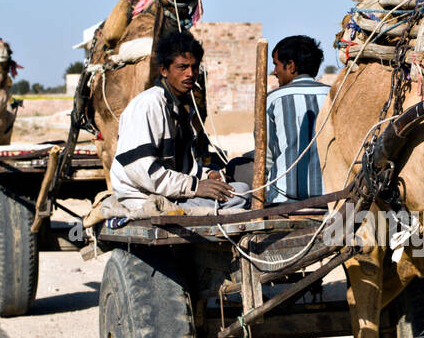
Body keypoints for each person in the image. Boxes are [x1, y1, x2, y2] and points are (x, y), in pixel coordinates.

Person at [110, 31, 249, 213]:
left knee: (239, 186)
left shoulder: (181, 108)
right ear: (164, 70)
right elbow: (142, 171)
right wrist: (195, 186)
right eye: (182, 67)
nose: (190, 74)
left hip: (171, 192)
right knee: (241, 195)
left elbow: (182, 168)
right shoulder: (148, 105)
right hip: (145, 197)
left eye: (194, 67)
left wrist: (207, 175)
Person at [264, 36, 329, 204]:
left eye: (276, 64)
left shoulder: (273, 99)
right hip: (331, 196)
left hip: (284, 199)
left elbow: (266, 155)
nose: (275, 71)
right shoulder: (334, 95)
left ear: (291, 66)